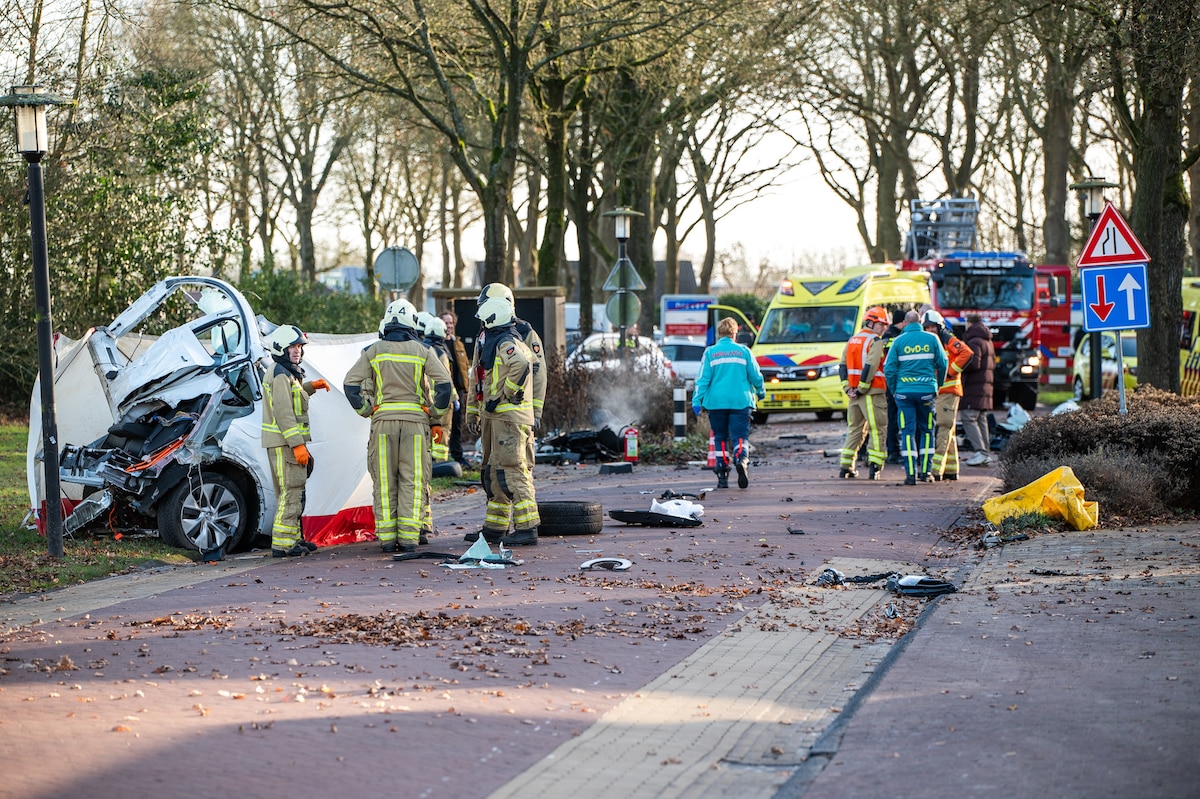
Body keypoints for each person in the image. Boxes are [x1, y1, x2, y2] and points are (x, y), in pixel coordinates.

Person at [343, 299, 452, 555]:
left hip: (383, 425)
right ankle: (409, 539)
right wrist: (434, 413)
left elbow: (350, 383)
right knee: (412, 481)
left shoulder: (374, 350)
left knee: (384, 481)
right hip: (415, 425)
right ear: (411, 322)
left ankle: (387, 539)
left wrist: (366, 409)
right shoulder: (423, 350)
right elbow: (444, 385)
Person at [466, 296, 540, 545]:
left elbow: (521, 365)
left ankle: (527, 528)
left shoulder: (506, 342)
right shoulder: (496, 340)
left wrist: (502, 394)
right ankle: (495, 528)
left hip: (508, 418)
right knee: (494, 472)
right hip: (498, 418)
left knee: (512, 471)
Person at [261, 324, 330, 557]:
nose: (298, 351)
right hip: (285, 444)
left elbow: (294, 396)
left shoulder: (286, 372)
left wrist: (311, 387)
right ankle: (282, 544)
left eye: (300, 346)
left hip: (285, 444)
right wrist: (297, 444)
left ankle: (293, 538)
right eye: (293, 347)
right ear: (281, 348)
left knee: (294, 492)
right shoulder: (280, 374)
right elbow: (284, 412)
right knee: (290, 491)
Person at [692, 317, 765, 489]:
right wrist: (761, 392)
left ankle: (723, 472)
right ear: (734, 334)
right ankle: (741, 458)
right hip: (741, 401)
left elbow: (702, 379)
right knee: (740, 436)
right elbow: (756, 375)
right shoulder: (744, 351)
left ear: (719, 334)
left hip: (716, 403)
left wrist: (697, 400)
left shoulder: (710, 353)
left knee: (720, 438)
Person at [884, 310, 947, 485]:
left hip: (904, 394)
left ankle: (910, 474)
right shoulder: (932, 339)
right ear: (920, 322)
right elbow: (943, 363)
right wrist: (938, 384)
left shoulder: (898, 341)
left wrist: (894, 389)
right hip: (927, 391)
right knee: (927, 431)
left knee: (907, 433)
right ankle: (925, 472)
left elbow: (889, 368)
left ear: (905, 323)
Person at [837, 306, 890, 480]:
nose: (884, 328)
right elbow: (871, 365)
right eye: (881, 324)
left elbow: (843, 365)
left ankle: (846, 466)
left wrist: (848, 388)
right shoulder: (875, 340)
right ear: (871, 322)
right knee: (878, 428)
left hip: (854, 393)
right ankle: (875, 466)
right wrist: (862, 387)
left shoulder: (853, 340)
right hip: (871, 392)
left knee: (855, 429)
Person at [923, 310, 972, 481]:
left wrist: (950, 372)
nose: (929, 330)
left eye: (932, 327)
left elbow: (967, 353)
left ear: (940, 327)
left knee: (943, 428)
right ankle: (951, 470)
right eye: (926, 327)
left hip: (949, 391)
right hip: (940, 391)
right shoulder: (931, 342)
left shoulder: (948, 340)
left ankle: (935, 470)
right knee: (948, 430)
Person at [960, 313, 996, 466]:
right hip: (985, 386)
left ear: (969, 323)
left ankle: (980, 452)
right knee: (981, 419)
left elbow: (973, 363)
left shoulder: (974, 341)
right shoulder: (987, 340)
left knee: (968, 417)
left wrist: (958, 367)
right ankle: (985, 452)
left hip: (974, 386)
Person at [440, 309, 472, 468]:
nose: (449, 326)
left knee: (457, 425)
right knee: (444, 425)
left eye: (451, 323)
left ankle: (458, 456)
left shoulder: (458, 343)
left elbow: (465, 365)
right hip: (444, 391)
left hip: (458, 390)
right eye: (446, 323)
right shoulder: (438, 344)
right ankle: (441, 460)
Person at [882, 308, 907, 465]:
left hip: (892, 382)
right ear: (903, 322)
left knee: (893, 418)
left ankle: (894, 450)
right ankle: (894, 451)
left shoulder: (888, 336)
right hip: (896, 383)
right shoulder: (894, 337)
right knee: (895, 419)